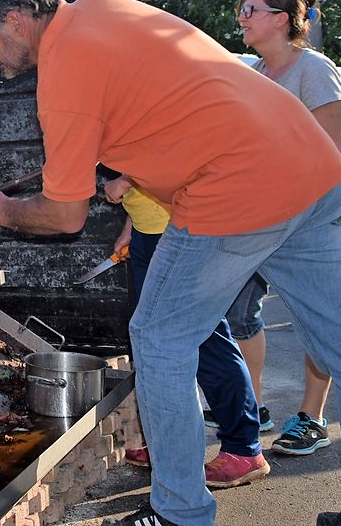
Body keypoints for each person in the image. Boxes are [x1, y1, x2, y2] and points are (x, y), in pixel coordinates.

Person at [0, 0, 341, 526]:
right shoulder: (102, 8)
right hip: (313, 171)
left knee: (159, 338)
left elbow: (65, 215)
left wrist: (0, 209)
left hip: (236, 191)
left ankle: (179, 512)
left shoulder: (61, 81)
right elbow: (167, 106)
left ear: (15, 19)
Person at [226, 0, 341, 459]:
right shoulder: (253, 72)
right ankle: (255, 407)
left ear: (280, 18)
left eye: (251, 10)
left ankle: (312, 417)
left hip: (311, 217)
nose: (242, 19)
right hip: (258, 215)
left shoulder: (314, 69)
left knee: (317, 321)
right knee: (238, 314)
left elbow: (332, 152)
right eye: (242, 10)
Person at [104, 176, 266, 486]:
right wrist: (132, 226)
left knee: (208, 340)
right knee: (156, 349)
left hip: (181, 230)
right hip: (147, 231)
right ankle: (171, 447)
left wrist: (126, 179)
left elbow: (171, 151)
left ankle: (243, 448)